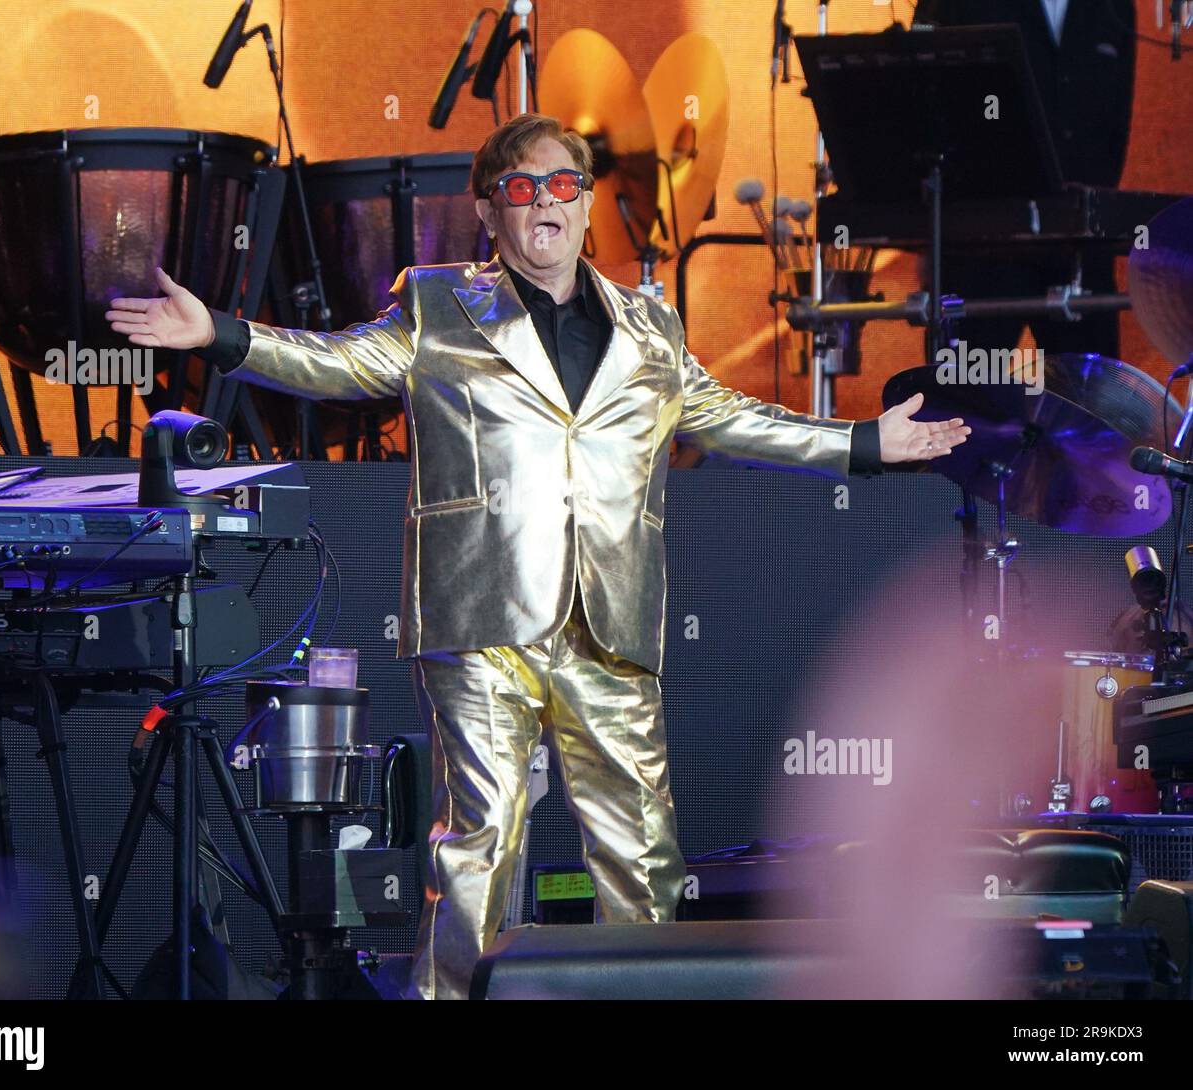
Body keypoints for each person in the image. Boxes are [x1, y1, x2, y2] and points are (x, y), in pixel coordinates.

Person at [107, 113, 969, 1000]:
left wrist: (863, 443)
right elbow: (339, 362)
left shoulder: (652, 327)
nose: (544, 203)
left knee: (642, 851)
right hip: (483, 619)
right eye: (521, 188)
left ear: (587, 203)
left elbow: (735, 419)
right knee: (480, 845)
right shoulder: (439, 305)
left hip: (610, 623)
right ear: (491, 209)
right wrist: (220, 333)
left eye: (563, 185)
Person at [912, 0, 1138, 358]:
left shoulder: (1114, 6)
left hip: (1080, 245)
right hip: (979, 241)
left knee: (1091, 400)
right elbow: (922, 87)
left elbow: (1114, 124)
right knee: (964, 399)